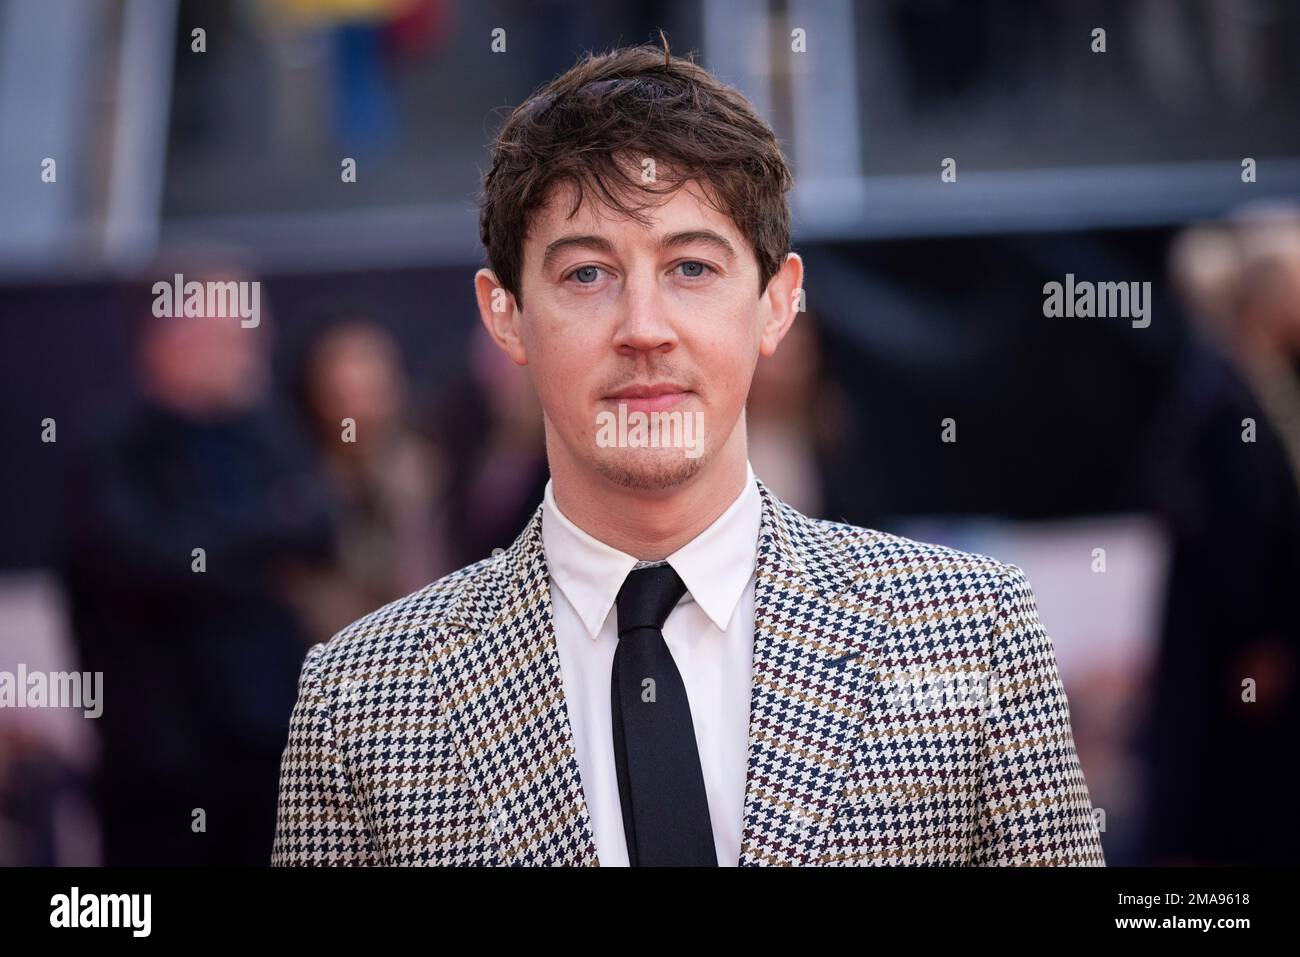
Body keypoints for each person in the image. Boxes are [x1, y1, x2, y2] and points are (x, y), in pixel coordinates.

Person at [273, 40, 1105, 866]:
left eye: (693, 267)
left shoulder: (970, 634)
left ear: (778, 305)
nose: (644, 327)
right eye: (588, 275)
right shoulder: (360, 698)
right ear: (506, 316)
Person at [64, 261, 333, 865]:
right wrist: (256, 550)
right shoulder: (113, 448)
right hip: (165, 764)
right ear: (170, 334)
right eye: (232, 332)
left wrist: (220, 550)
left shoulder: (263, 432)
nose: (252, 348)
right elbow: (146, 562)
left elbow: (318, 525)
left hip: (272, 749)